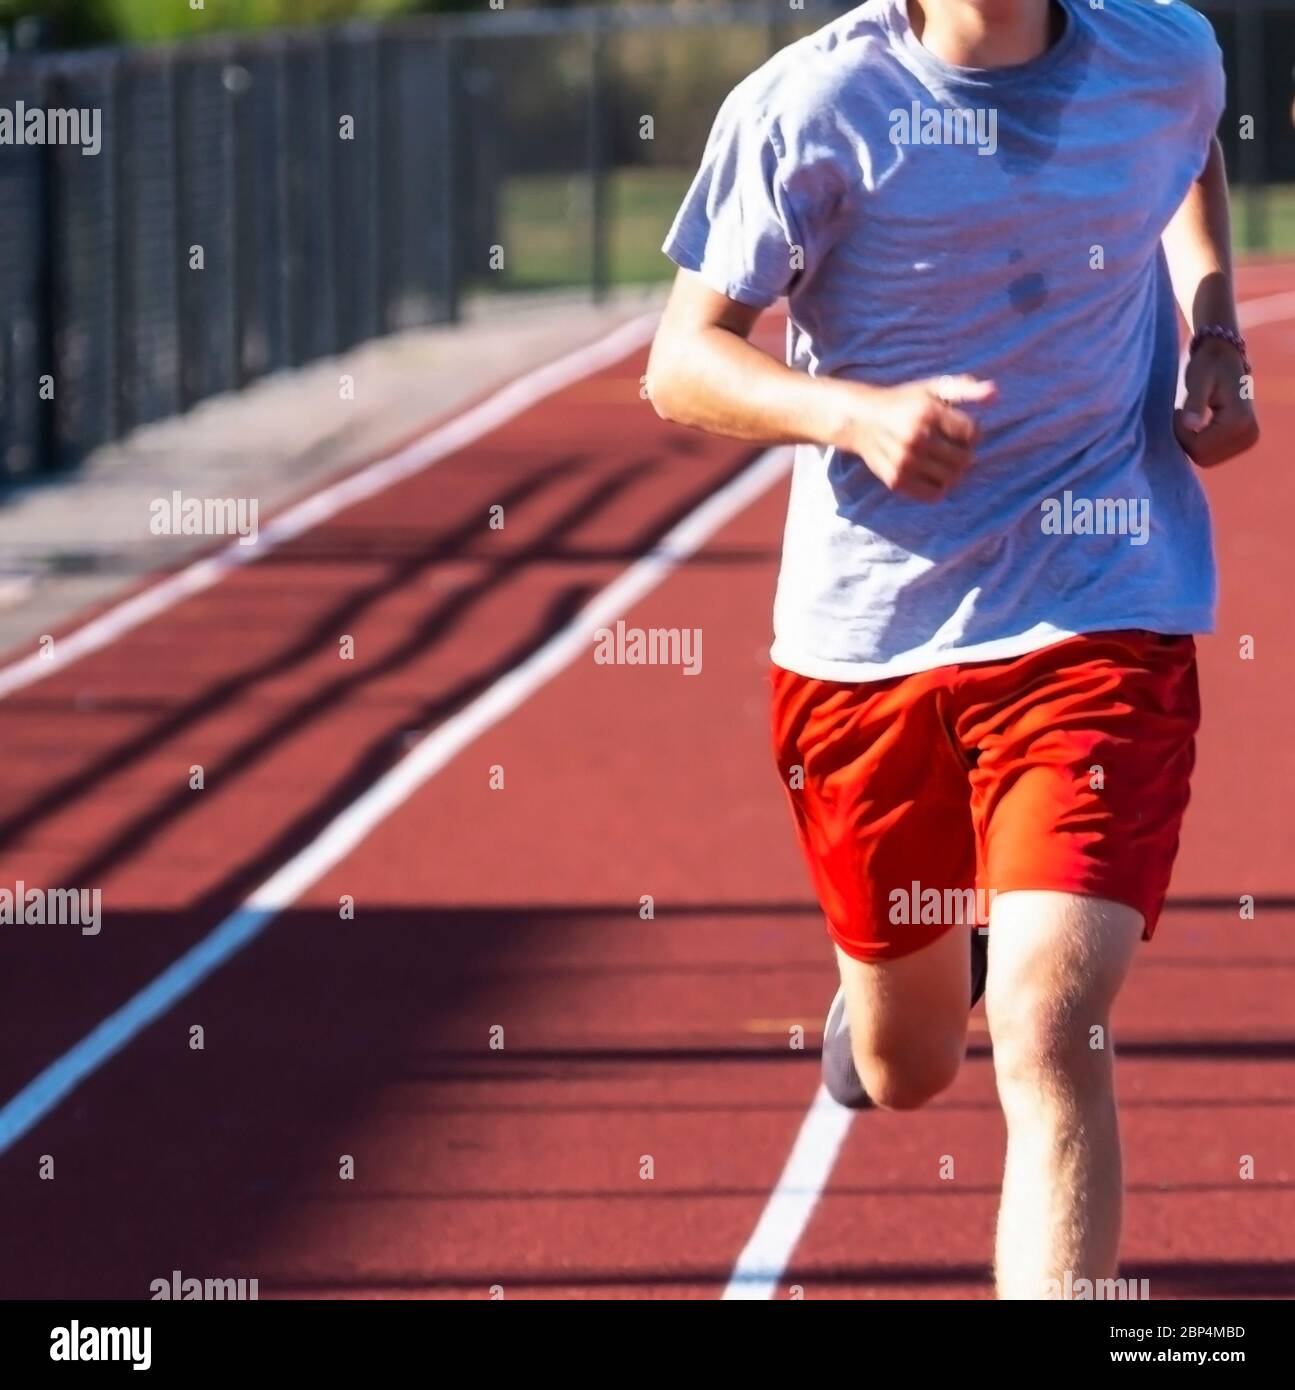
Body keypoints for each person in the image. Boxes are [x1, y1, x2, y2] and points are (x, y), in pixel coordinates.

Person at [646, 0, 1258, 1299]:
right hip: (867, 650)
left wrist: (1214, 332)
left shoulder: (1162, 52)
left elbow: (1189, 143)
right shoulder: (810, 109)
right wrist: (848, 415)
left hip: (1100, 606)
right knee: (906, 1067)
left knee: (1048, 1021)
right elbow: (681, 361)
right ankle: (901, 1002)